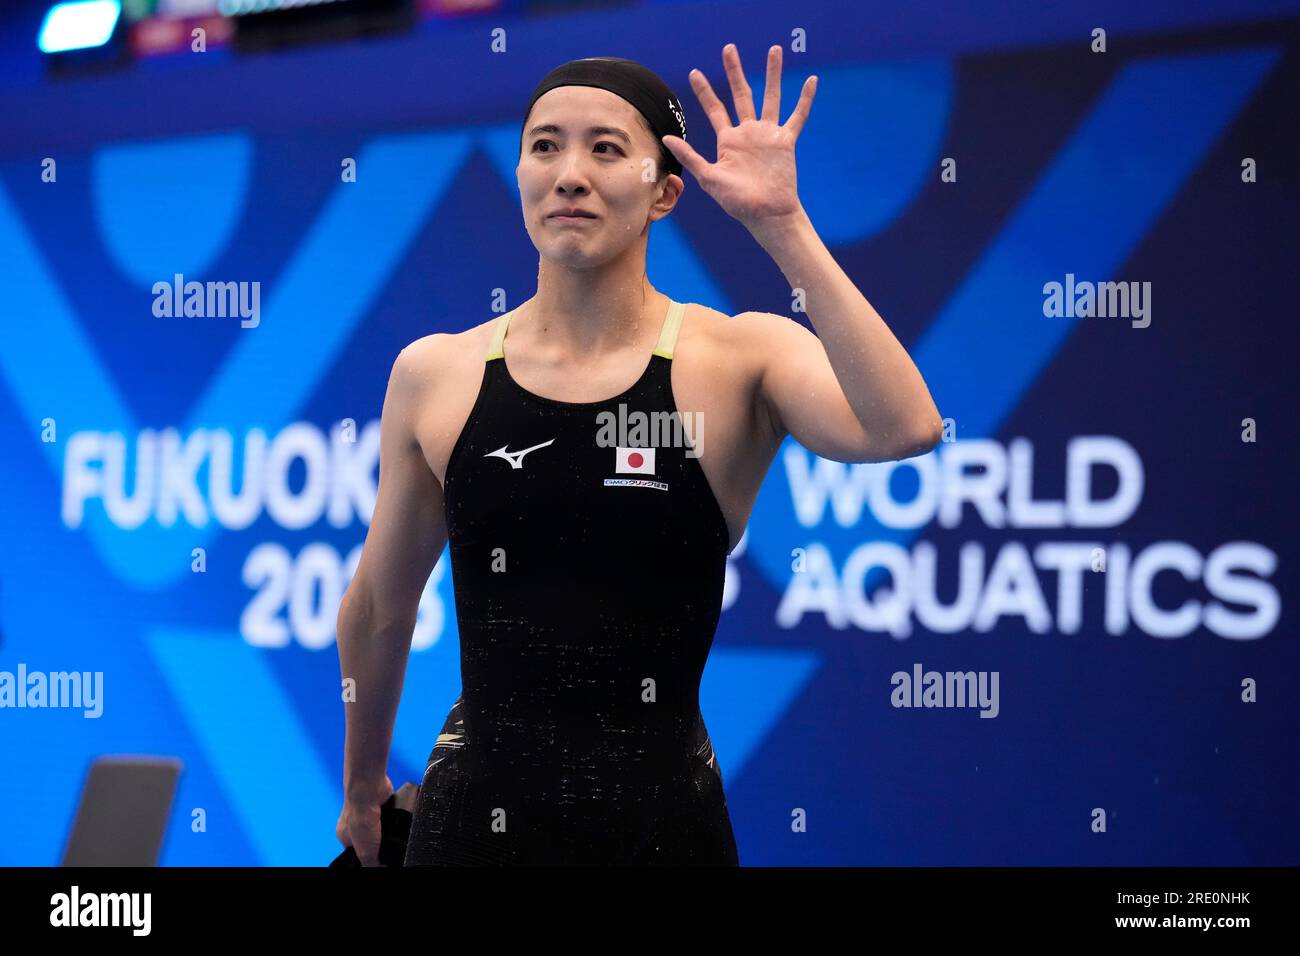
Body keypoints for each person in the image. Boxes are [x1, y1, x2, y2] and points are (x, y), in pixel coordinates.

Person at [335, 45, 943, 865]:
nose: (570, 174)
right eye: (544, 145)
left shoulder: (739, 359)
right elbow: (379, 603)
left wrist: (781, 226)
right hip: (472, 824)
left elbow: (903, 425)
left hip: (661, 830)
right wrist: (361, 785)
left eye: (606, 148)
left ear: (665, 192)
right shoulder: (436, 372)